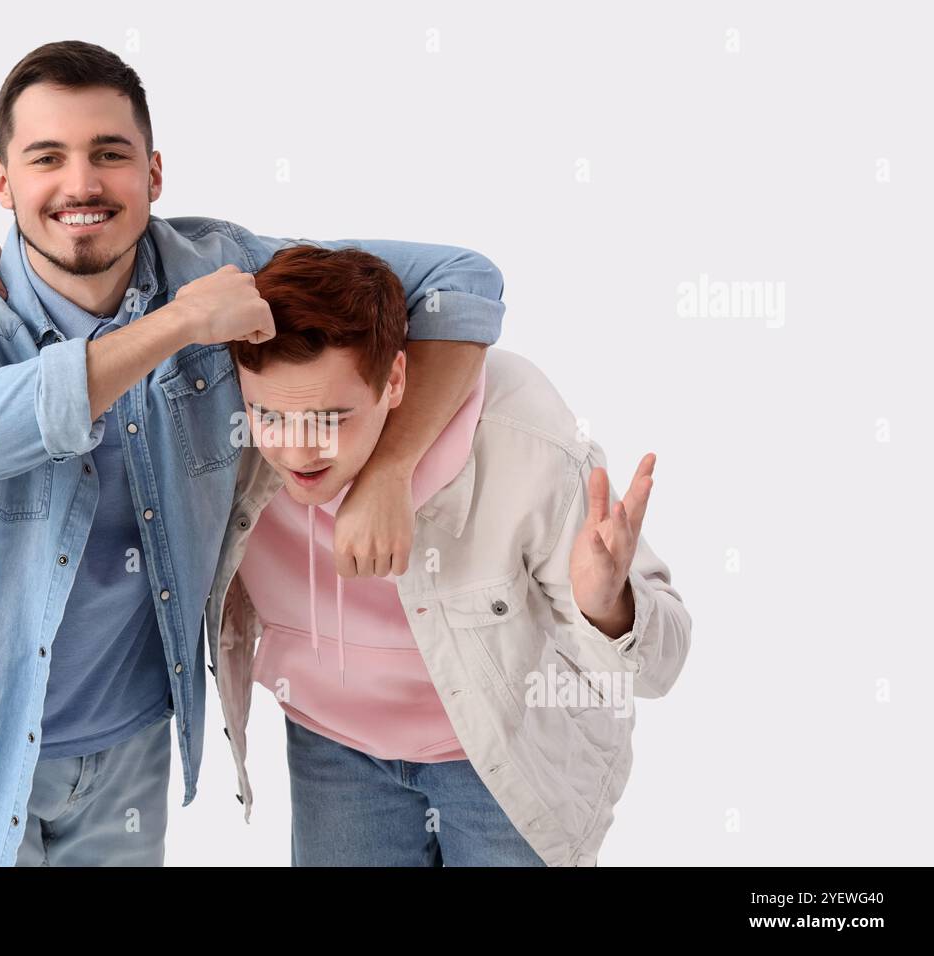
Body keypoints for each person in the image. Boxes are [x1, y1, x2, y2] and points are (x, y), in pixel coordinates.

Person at [0, 40, 509, 865]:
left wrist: (389, 470)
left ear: (154, 173)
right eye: (46, 158)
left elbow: (462, 282)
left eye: (110, 154)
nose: (81, 184)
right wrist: (177, 325)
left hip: (133, 749)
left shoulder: (220, 264)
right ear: (2, 182)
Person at [206, 244, 692, 866]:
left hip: (505, 758)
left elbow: (662, 668)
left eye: (331, 418)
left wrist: (610, 608)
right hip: (332, 750)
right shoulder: (230, 450)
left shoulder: (524, 435)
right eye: (268, 414)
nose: (297, 453)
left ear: (397, 379)